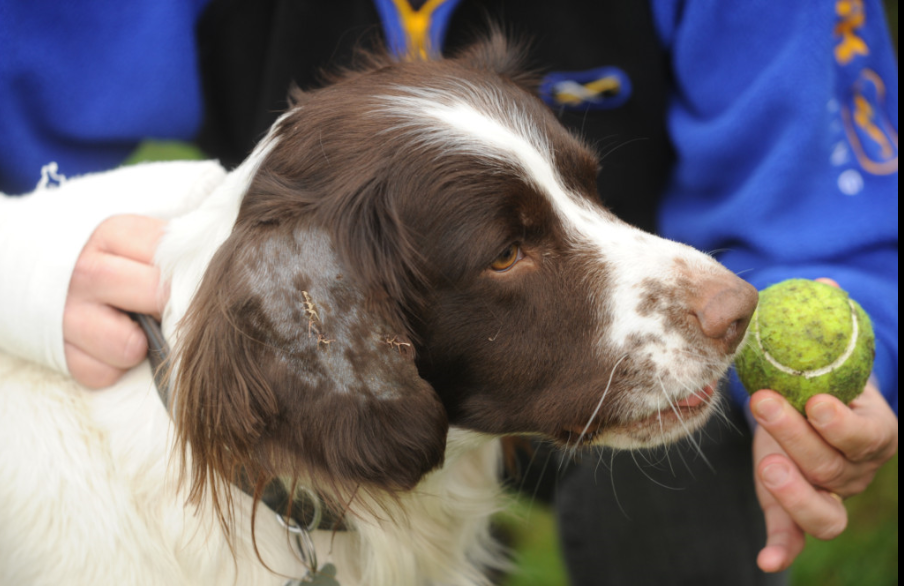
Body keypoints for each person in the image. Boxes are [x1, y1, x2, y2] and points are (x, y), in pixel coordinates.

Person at [0, 1, 897, 584]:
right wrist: (22, 269)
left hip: (437, 402)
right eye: (515, 244)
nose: (716, 296)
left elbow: (845, 229)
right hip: (360, 396)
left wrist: (843, 382)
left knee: (679, 500)